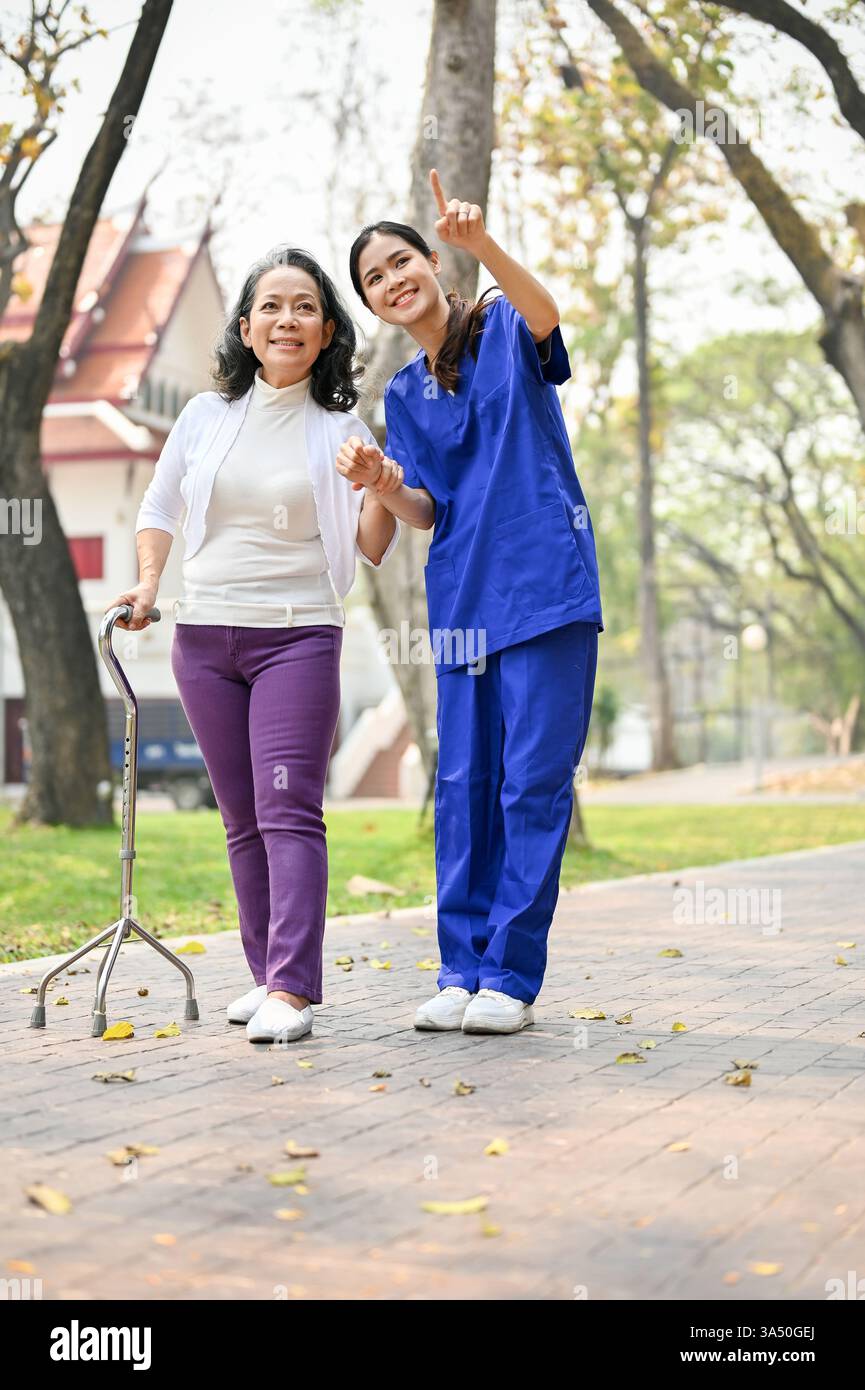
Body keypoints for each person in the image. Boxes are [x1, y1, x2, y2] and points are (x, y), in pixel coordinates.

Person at [106, 246, 401, 1045]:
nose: (286, 319)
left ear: (329, 329)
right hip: (203, 638)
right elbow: (159, 508)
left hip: (296, 637)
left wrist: (377, 483)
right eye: (271, 305)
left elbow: (373, 545)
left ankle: (294, 989)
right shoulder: (205, 418)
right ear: (246, 325)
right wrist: (145, 584)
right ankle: (265, 972)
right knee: (240, 817)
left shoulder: (340, 431)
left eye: (304, 306)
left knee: (287, 811)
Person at [339, 170, 603, 1035]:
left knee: (530, 782)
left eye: (399, 260)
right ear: (374, 305)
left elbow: (546, 317)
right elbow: (422, 514)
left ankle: (510, 977)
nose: (391, 280)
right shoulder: (403, 397)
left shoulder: (497, 325)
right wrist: (384, 479)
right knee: (461, 784)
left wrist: (484, 244)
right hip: (459, 606)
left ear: (431, 262)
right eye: (373, 278)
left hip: (544, 590)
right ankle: (458, 968)